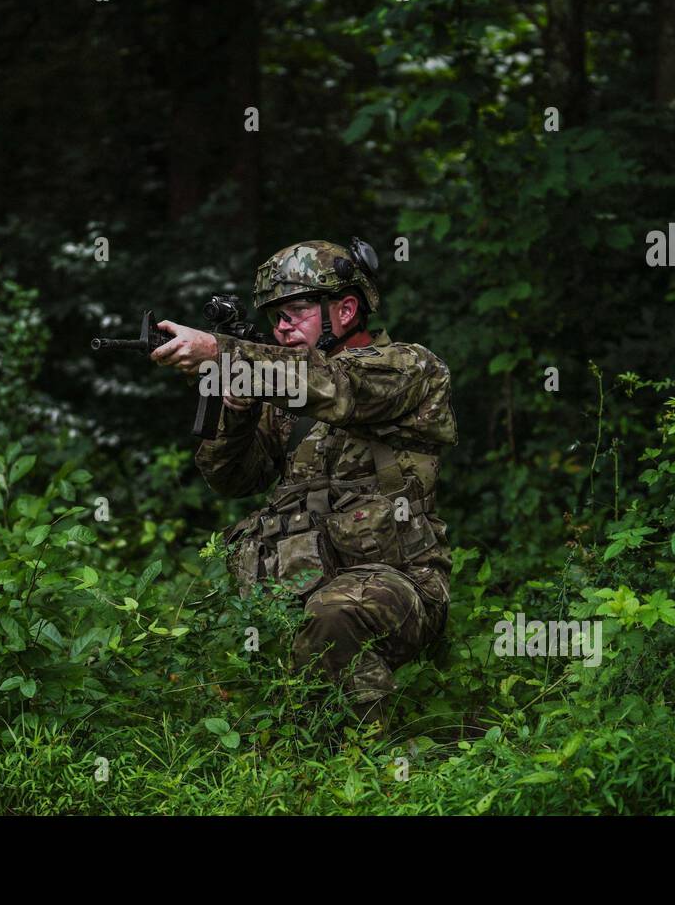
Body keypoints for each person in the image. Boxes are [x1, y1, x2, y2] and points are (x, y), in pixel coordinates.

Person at [149, 238, 457, 734]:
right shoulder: (282, 391)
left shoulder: (409, 368)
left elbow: (338, 388)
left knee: (333, 613)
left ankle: (373, 763)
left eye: (295, 311)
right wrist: (238, 411)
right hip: (294, 583)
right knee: (224, 651)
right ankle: (294, 766)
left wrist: (219, 351)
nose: (281, 328)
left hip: (401, 582)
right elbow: (233, 480)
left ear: (347, 308)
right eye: (274, 318)